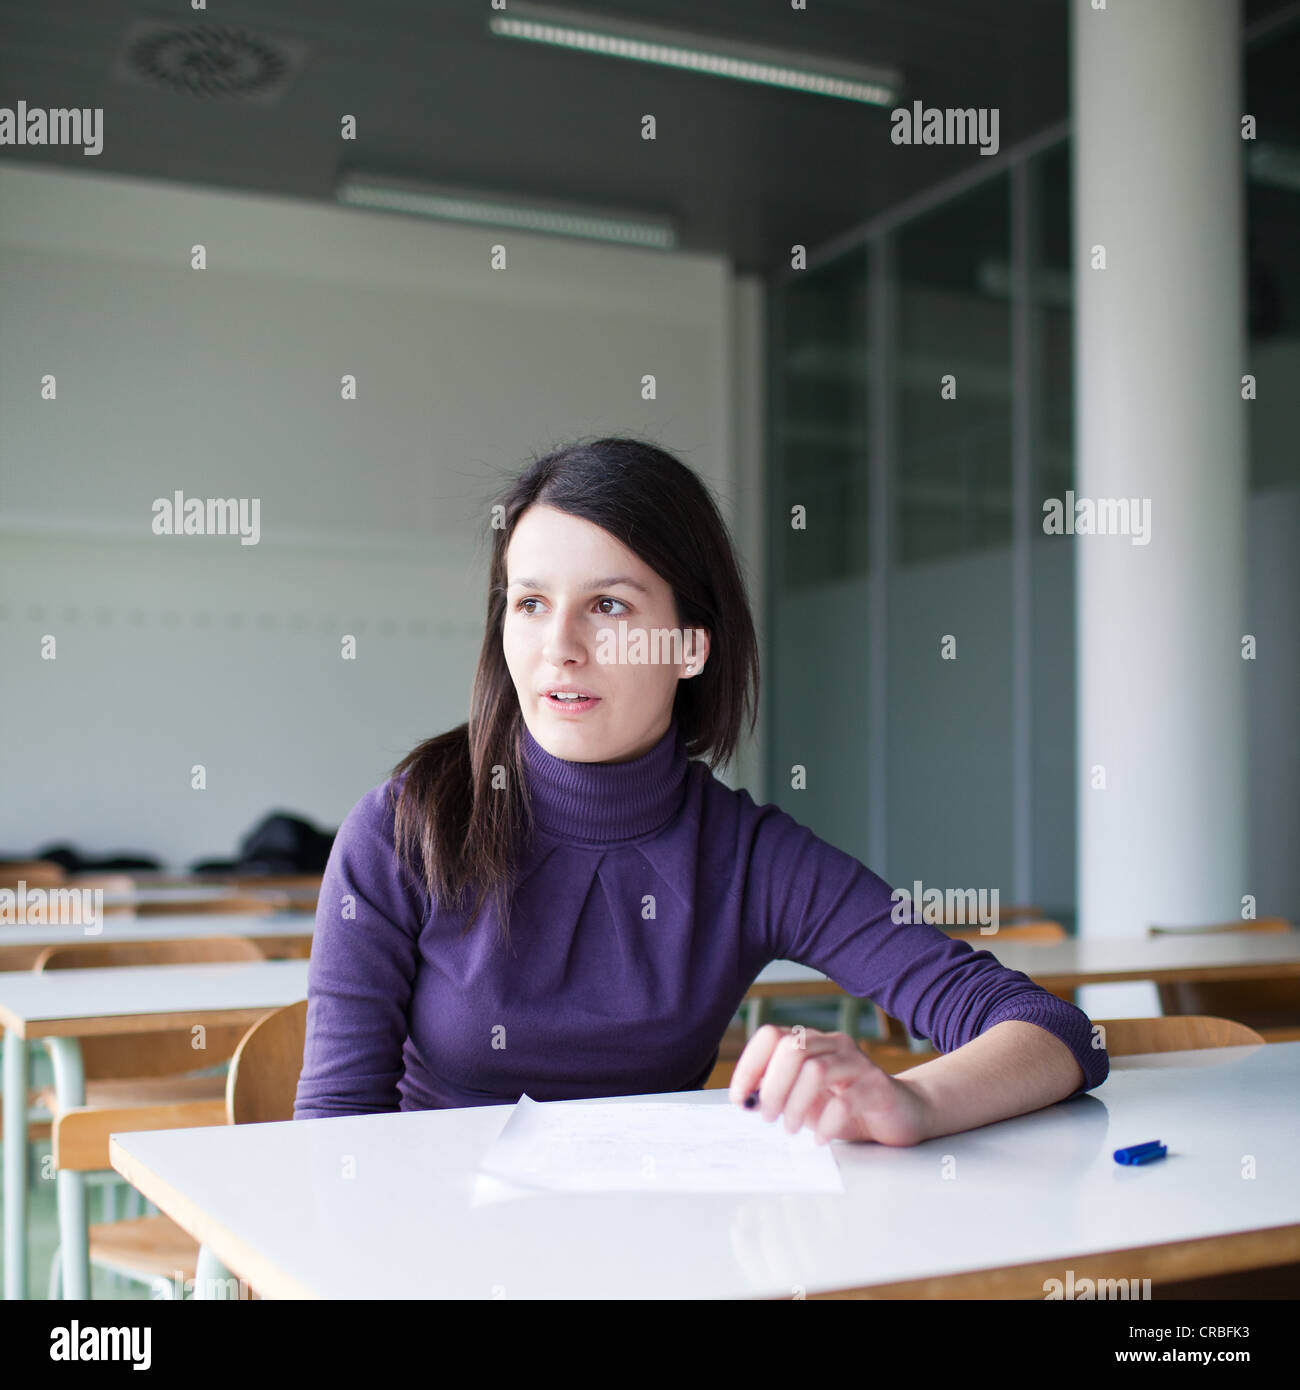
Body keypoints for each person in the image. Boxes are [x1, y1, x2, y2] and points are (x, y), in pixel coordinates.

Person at [294, 436, 1107, 1145]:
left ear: (690, 645)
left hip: (659, 1259)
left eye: (607, 605)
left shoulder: (748, 856)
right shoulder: (403, 829)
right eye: (531, 603)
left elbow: (1052, 1030)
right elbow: (334, 1131)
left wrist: (912, 1101)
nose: (559, 647)